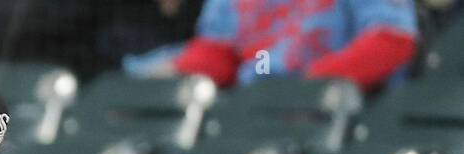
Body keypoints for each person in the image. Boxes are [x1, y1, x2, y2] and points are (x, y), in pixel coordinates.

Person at [169, 0, 419, 90]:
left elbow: (392, 42)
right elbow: (216, 54)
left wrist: (307, 89)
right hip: (252, 113)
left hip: (342, 119)